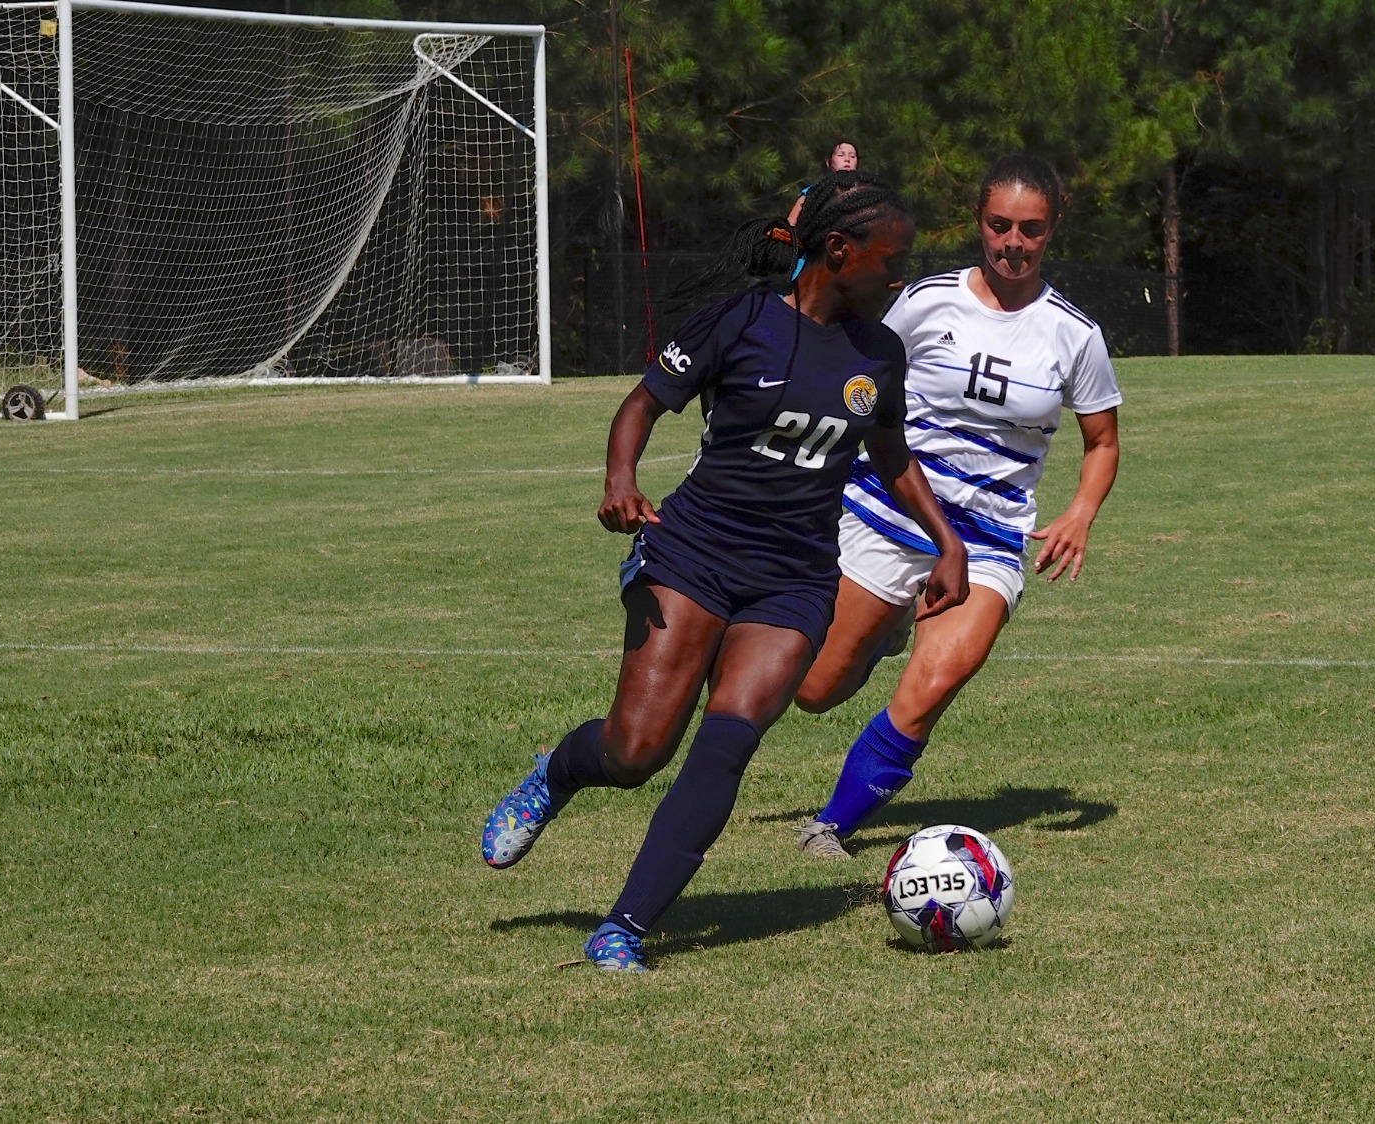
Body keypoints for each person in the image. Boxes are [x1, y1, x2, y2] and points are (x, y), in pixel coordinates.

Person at [478, 171, 971, 972]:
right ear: (838, 251)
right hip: (693, 556)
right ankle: (558, 771)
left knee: (725, 746)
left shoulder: (880, 353)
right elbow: (642, 403)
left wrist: (947, 543)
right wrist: (620, 481)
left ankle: (624, 928)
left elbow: (891, 455)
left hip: (795, 581)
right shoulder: (739, 321)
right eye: (891, 259)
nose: (900, 276)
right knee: (636, 751)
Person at [787, 154, 1123, 859]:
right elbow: (859, 371)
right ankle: (887, 626)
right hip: (892, 512)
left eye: (1031, 229)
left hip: (989, 540)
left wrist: (1081, 512)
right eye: (1000, 225)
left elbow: (1102, 441)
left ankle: (832, 826)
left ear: (1052, 228)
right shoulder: (926, 300)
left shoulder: (1075, 334)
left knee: (935, 681)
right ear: (978, 221)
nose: (1013, 243)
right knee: (814, 690)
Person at [786, 140, 860, 227]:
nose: (847, 159)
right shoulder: (812, 193)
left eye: (852, 156)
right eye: (841, 155)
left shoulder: (864, 192)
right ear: (828, 162)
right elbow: (790, 225)